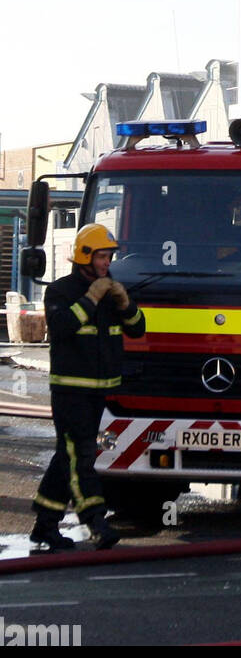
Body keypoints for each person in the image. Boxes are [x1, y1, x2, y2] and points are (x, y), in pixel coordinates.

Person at [30, 223, 146, 551]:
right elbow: (63, 326)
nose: (107, 263)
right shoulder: (60, 291)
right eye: (102, 256)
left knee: (68, 458)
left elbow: (138, 330)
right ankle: (96, 521)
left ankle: (45, 525)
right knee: (81, 456)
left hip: (99, 392)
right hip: (70, 391)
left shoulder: (110, 292)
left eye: (109, 256)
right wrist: (90, 300)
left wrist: (126, 304)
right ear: (84, 256)